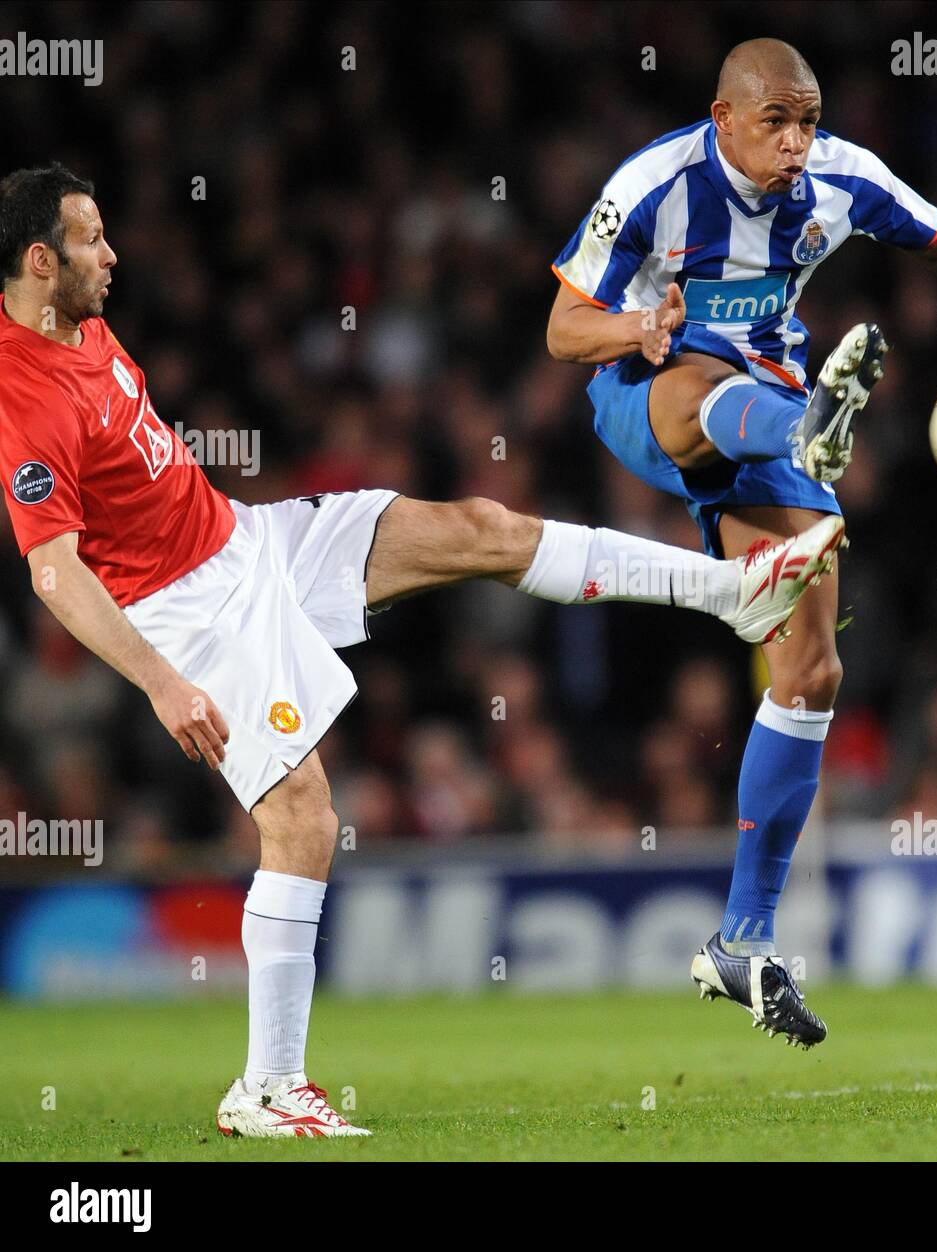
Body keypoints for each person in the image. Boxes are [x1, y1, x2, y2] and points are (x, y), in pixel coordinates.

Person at [0, 164, 841, 1136]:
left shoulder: (80, 324)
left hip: (246, 540)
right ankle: (268, 1086)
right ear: (37, 260)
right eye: (90, 241)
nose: (111, 255)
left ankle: (734, 593)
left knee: (476, 526)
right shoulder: (25, 399)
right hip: (184, 610)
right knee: (306, 818)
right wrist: (160, 680)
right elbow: (55, 573)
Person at [547, 38, 937, 1047]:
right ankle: (800, 428)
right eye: (775, 121)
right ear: (722, 118)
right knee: (694, 379)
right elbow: (560, 327)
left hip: (772, 403)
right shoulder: (653, 186)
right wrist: (632, 331)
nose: (797, 141)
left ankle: (742, 940)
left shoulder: (843, 179)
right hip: (650, 392)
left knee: (811, 667)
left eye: (807, 120)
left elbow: (935, 239)